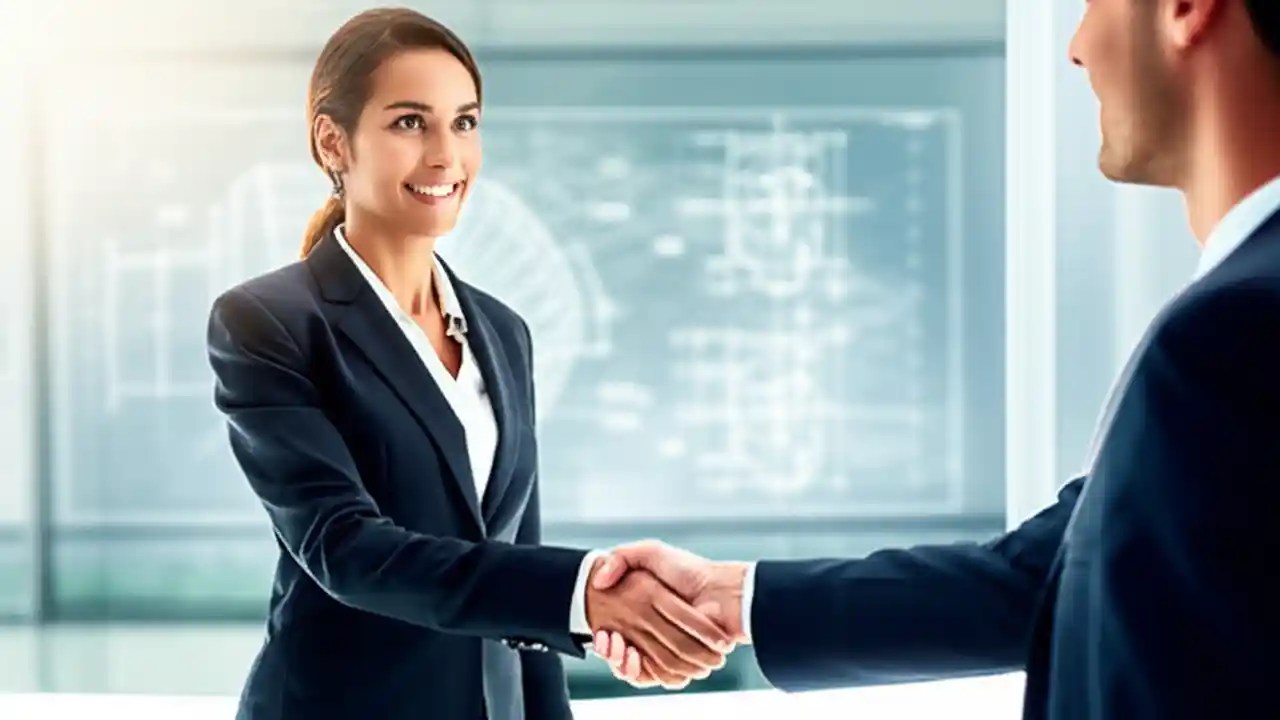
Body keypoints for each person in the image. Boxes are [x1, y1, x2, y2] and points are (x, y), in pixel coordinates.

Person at [592, 0, 1280, 717]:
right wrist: (735, 597)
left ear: (1186, 8)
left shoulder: (1232, 332)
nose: (1077, 48)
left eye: (1092, 2)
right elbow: (1052, 575)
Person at [205, 8, 730, 720]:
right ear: (334, 141)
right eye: (409, 123)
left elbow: (518, 555)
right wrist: (583, 592)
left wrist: (567, 634)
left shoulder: (504, 331)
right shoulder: (269, 322)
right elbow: (344, 548)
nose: (446, 156)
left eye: (465, 122)